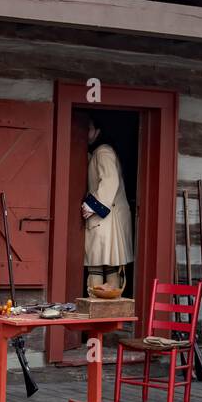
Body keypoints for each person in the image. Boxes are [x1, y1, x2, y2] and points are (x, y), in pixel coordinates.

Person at [81, 117, 135, 294]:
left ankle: (106, 310)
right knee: (102, 261)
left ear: (98, 131)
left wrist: (93, 205)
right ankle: (98, 309)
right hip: (105, 218)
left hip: (108, 218)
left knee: (103, 262)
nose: (85, 132)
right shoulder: (97, 152)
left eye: (89, 128)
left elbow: (110, 181)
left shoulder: (103, 152)